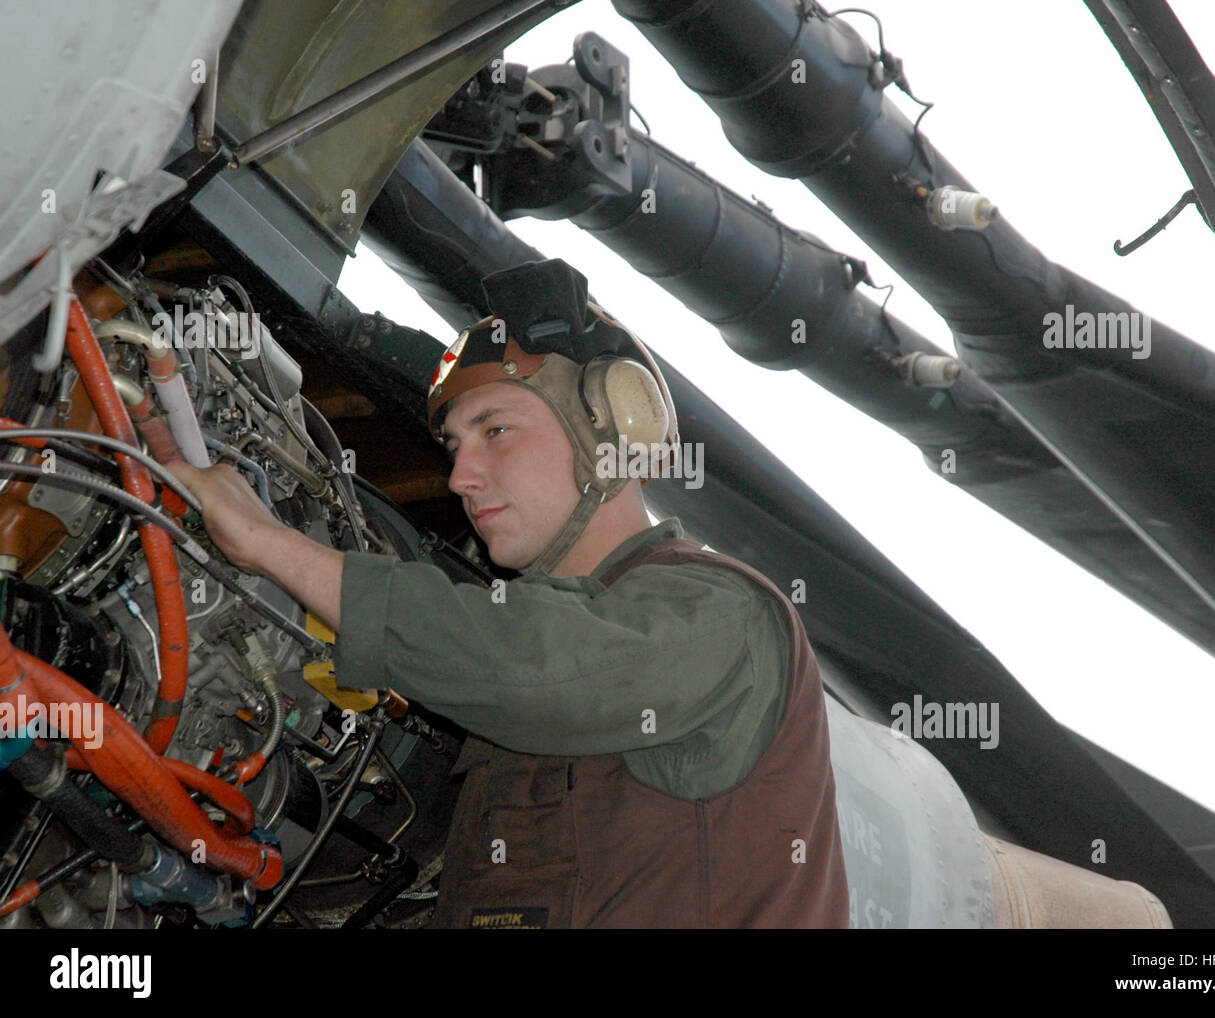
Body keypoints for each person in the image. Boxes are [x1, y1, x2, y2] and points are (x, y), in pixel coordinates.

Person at [168, 260, 849, 928]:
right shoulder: (505, 720)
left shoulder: (724, 615)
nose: (461, 476)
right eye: (455, 446)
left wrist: (268, 541)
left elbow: (534, 666)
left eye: (495, 431)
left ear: (613, 432)